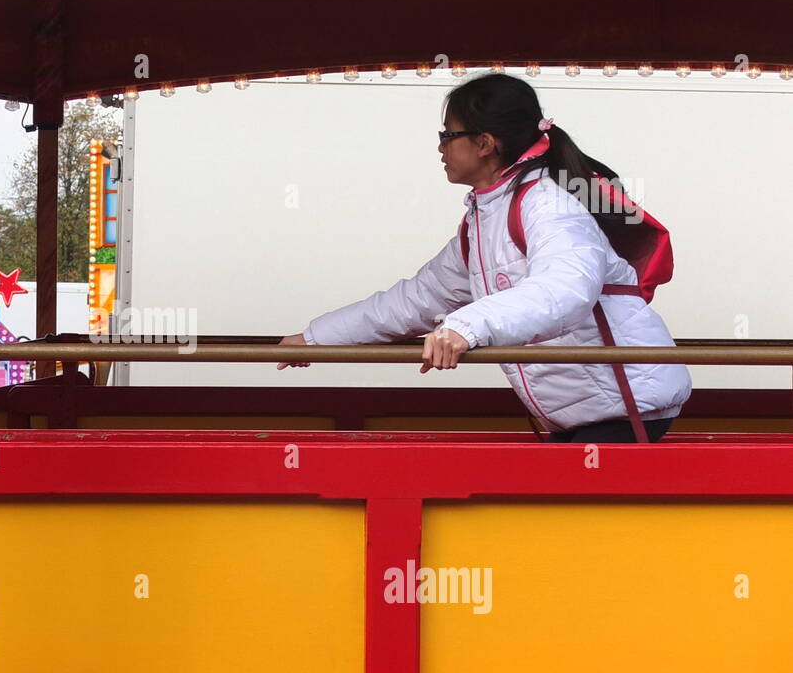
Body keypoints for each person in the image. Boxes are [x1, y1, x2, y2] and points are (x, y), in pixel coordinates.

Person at [278, 73, 691, 444]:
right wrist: (316, 339)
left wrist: (467, 326)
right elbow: (419, 299)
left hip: (627, 407)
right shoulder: (486, 216)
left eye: (448, 135)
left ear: (485, 144)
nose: (440, 146)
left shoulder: (547, 202)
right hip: (584, 413)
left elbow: (565, 290)